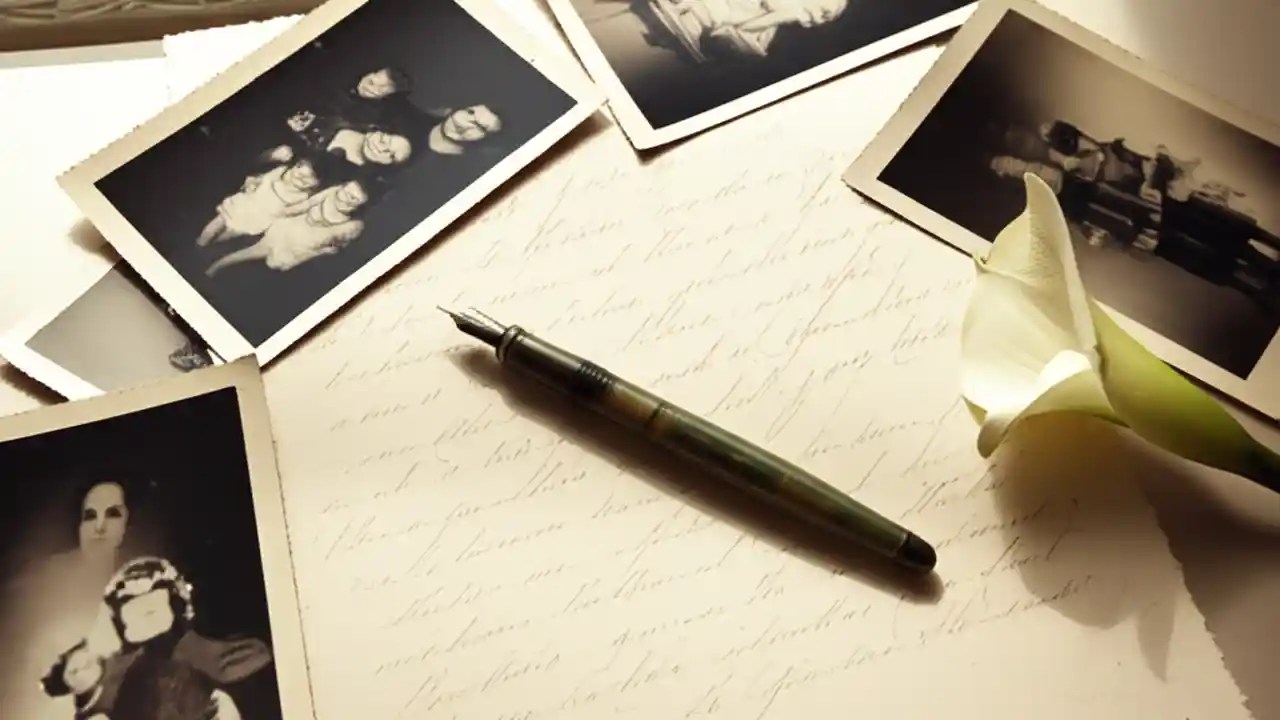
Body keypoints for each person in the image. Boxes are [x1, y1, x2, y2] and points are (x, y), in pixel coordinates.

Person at [54, 557, 272, 720]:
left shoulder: (215, 659)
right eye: (132, 615)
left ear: (175, 606)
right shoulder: (124, 674)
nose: (144, 623)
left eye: (151, 610)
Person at [206, 178, 374, 276]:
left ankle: (218, 266)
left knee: (261, 260)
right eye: (345, 192)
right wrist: (284, 211)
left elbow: (336, 246)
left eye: (353, 199)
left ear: (361, 205)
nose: (344, 199)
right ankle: (217, 261)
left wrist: (318, 252)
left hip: (304, 243)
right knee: (252, 241)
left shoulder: (353, 225)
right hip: (291, 226)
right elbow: (308, 204)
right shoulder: (333, 192)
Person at [196, 155, 327, 246]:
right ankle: (200, 243)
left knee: (224, 237)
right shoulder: (281, 172)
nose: (297, 176)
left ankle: (204, 248)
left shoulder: (303, 197)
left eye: (306, 178)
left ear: (317, 184)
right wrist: (254, 182)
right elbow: (261, 178)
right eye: (298, 168)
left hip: (257, 219)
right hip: (244, 204)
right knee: (214, 227)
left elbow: (290, 214)